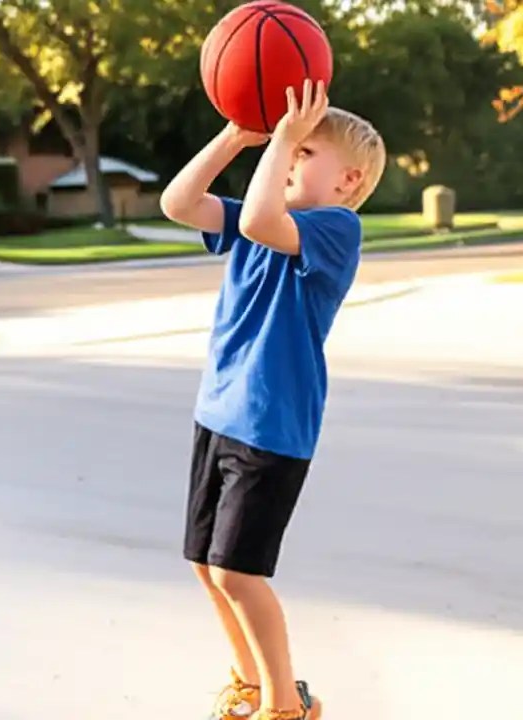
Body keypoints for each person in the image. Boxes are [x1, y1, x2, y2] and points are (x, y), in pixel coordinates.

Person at [158, 79, 386, 720]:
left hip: (271, 425)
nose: (288, 158)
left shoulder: (337, 229)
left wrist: (283, 132)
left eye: (307, 154)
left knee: (238, 573)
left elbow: (264, 219)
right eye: (292, 149)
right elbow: (179, 203)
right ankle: (253, 684)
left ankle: (286, 708)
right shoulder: (252, 221)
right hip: (218, 412)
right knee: (206, 566)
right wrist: (236, 135)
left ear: (349, 181)